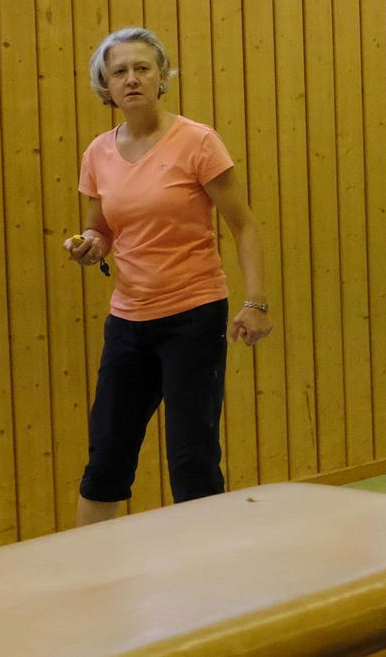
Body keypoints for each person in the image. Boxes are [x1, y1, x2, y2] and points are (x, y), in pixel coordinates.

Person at [63, 27, 271, 526]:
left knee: (192, 462)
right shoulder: (98, 153)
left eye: (142, 68)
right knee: (106, 460)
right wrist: (91, 246)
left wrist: (256, 301)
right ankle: (90, 580)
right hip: (129, 323)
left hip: (193, 318)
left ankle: (208, 587)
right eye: (120, 71)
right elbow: (101, 230)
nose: (131, 78)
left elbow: (242, 224)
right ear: (105, 86)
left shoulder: (197, 141)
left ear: (161, 78)